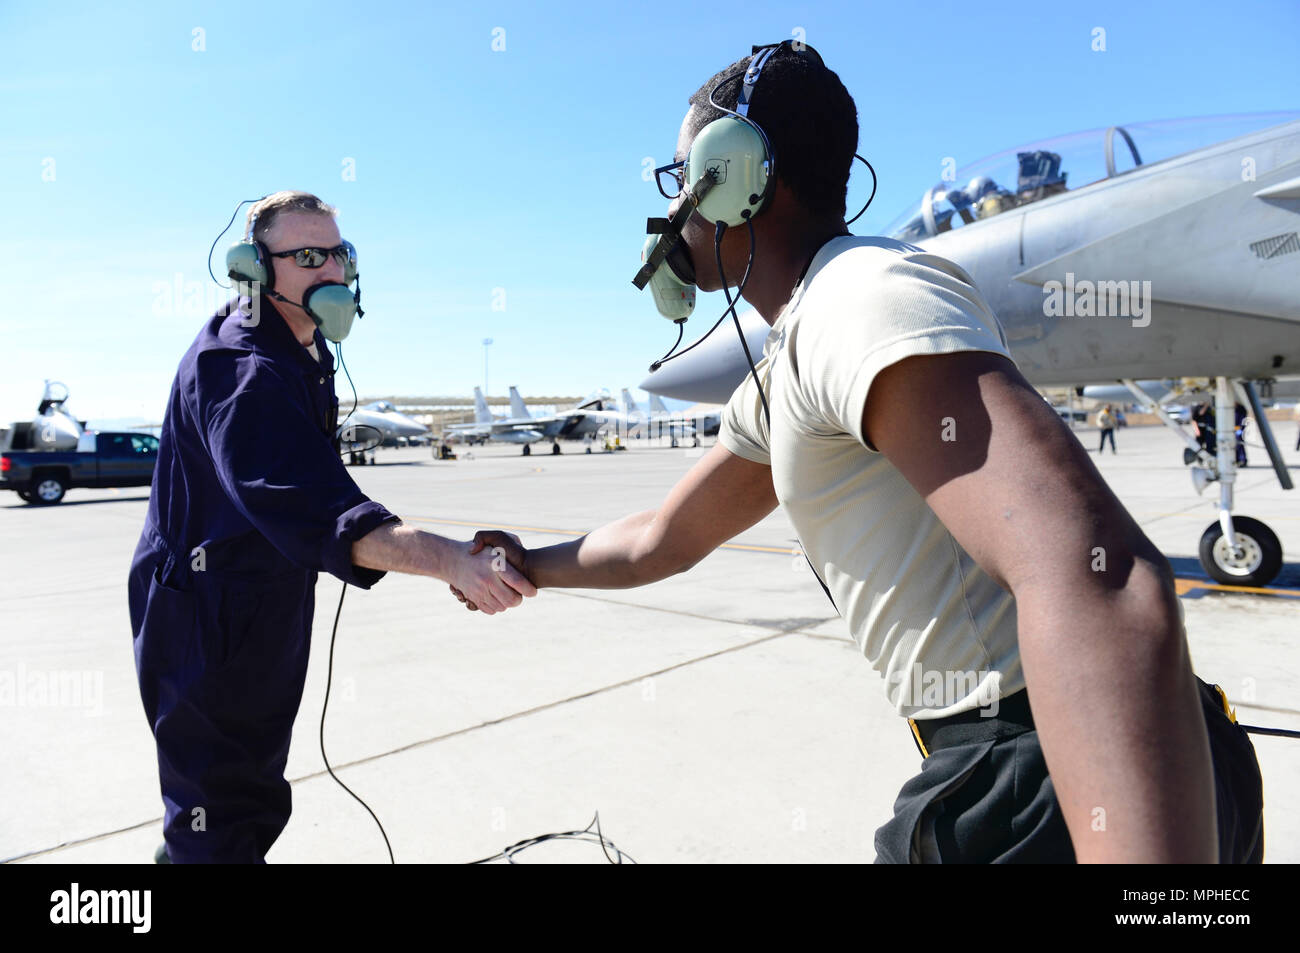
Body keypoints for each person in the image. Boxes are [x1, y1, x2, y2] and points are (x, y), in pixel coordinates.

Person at [454, 44, 1262, 863]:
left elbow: (1103, 577)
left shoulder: (862, 297)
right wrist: (526, 562)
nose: (672, 212)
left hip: (1049, 778)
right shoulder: (803, 349)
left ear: (730, 176)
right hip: (1089, 763)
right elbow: (661, 538)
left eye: (680, 179)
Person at [129, 191, 535, 864]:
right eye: (309, 256)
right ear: (257, 271)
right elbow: (321, 512)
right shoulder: (241, 370)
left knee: (253, 795)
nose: (334, 272)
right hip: (204, 615)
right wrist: (453, 561)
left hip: (263, 597)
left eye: (340, 253)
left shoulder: (298, 348)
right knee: (217, 817)